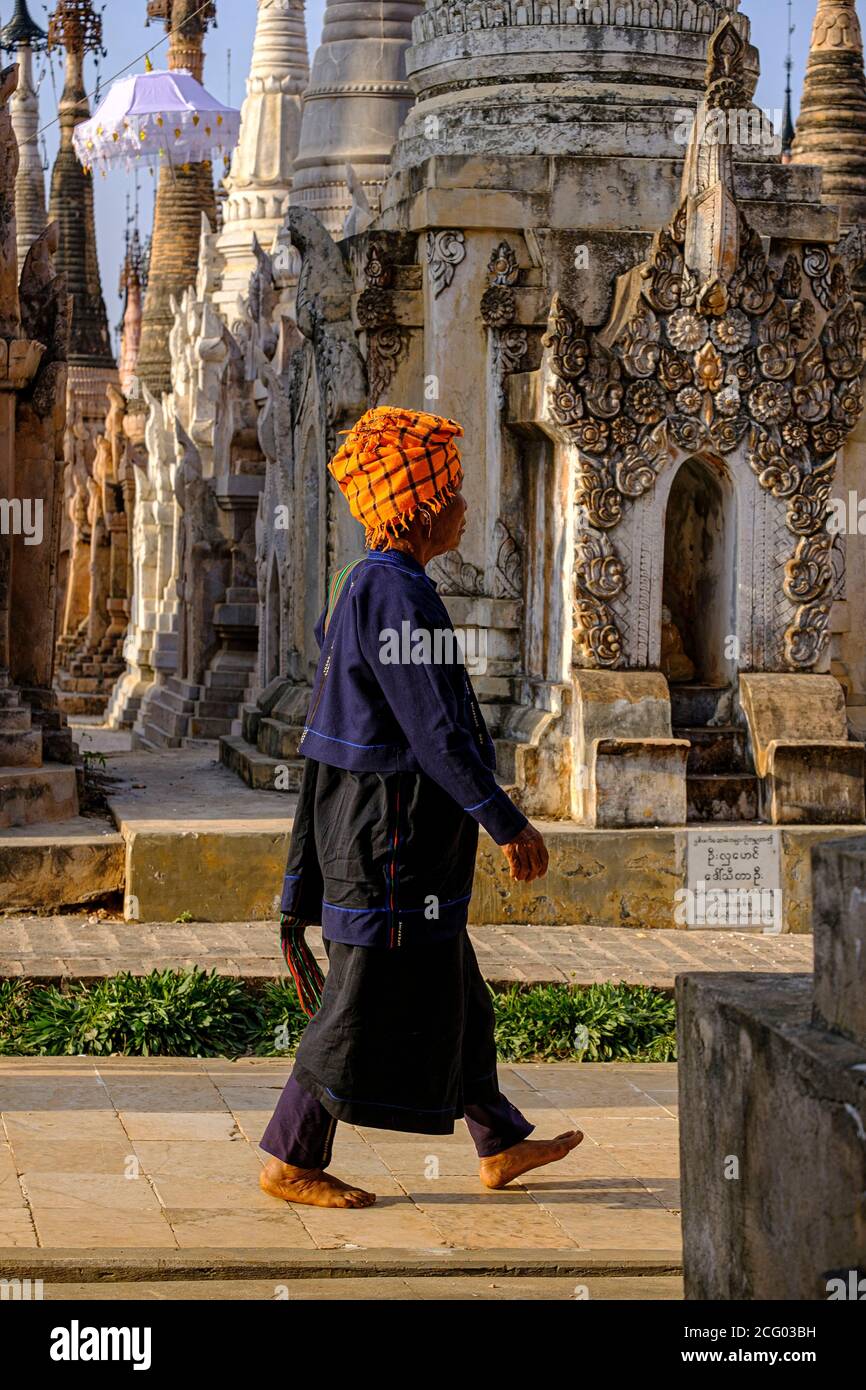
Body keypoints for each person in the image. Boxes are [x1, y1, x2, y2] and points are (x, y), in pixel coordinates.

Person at [259, 407, 583, 1209]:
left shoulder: (375, 585)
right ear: (421, 507)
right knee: (359, 997)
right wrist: (505, 820)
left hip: (382, 829)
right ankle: (289, 1158)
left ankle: (499, 1142)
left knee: (455, 994)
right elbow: (434, 730)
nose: (466, 508)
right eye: (456, 493)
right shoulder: (394, 595)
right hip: (388, 836)